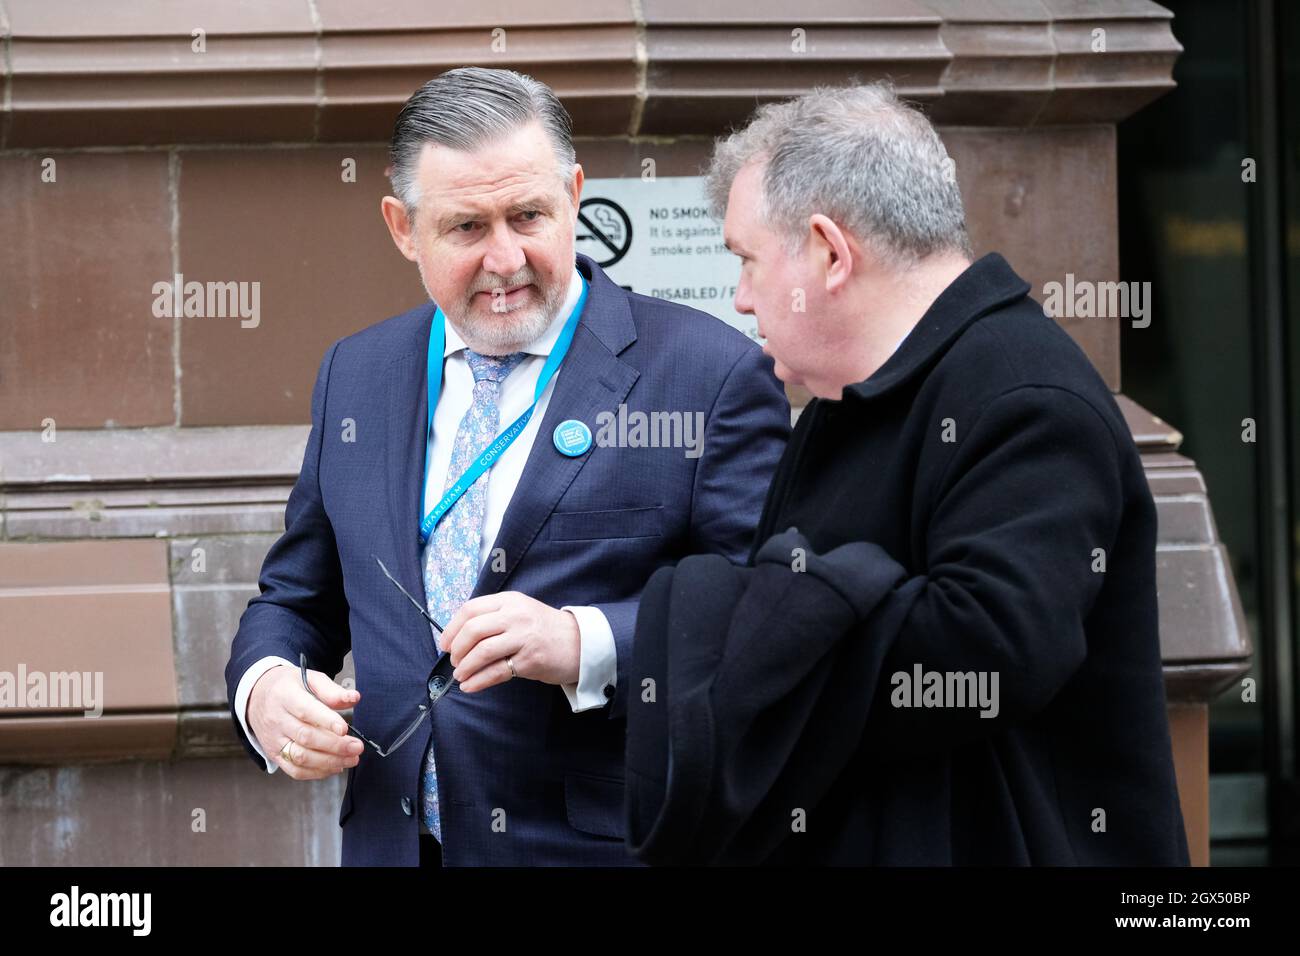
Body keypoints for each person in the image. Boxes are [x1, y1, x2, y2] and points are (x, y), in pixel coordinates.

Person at [223, 67, 790, 867]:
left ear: (576, 195)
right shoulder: (357, 372)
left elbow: (768, 607)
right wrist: (267, 690)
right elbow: (297, 596)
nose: (505, 258)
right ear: (402, 227)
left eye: (529, 215)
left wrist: (582, 641)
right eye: (466, 228)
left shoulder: (708, 374)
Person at [623, 82, 1191, 866]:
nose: (741, 297)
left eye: (748, 260)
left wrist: (722, 614)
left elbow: (990, 648)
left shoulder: (1026, 394)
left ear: (829, 252)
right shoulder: (845, 398)